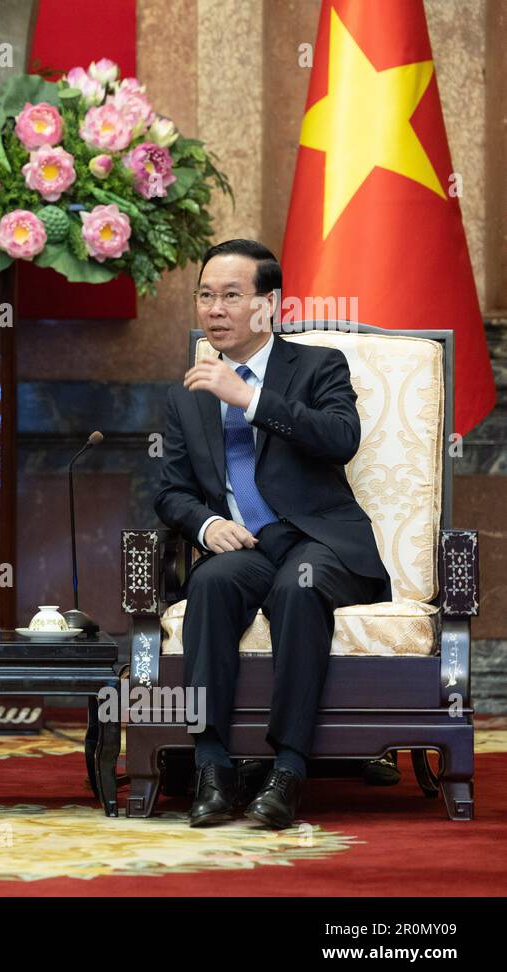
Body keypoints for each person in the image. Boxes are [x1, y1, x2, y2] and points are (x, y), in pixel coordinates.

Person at [155, 239, 390, 828]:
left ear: (269, 305)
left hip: (317, 542)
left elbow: (341, 438)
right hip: (248, 546)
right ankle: (212, 767)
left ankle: (288, 769)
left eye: (230, 295)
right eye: (205, 295)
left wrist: (251, 398)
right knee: (208, 584)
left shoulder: (317, 366)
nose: (214, 309)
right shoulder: (186, 394)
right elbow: (170, 491)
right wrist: (207, 525)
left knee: (299, 588)